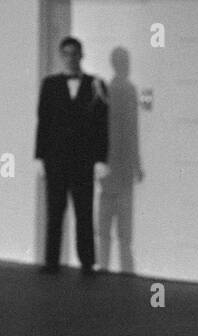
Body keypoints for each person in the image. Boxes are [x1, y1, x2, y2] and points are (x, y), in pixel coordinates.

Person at [35, 36, 108, 276]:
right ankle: (51, 261)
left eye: (74, 52)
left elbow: (101, 125)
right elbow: (43, 122)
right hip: (55, 159)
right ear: (60, 55)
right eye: (66, 53)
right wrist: (39, 157)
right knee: (54, 211)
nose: (70, 57)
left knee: (84, 212)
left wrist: (100, 159)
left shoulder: (96, 84)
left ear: (81, 55)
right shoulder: (50, 84)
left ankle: (87, 263)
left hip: (83, 160)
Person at [97, 45, 143, 274]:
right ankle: (126, 279)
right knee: (124, 235)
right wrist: (137, 166)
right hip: (122, 172)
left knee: (105, 232)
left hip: (109, 171)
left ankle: (102, 277)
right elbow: (132, 131)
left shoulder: (105, 90)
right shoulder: (128, 90)